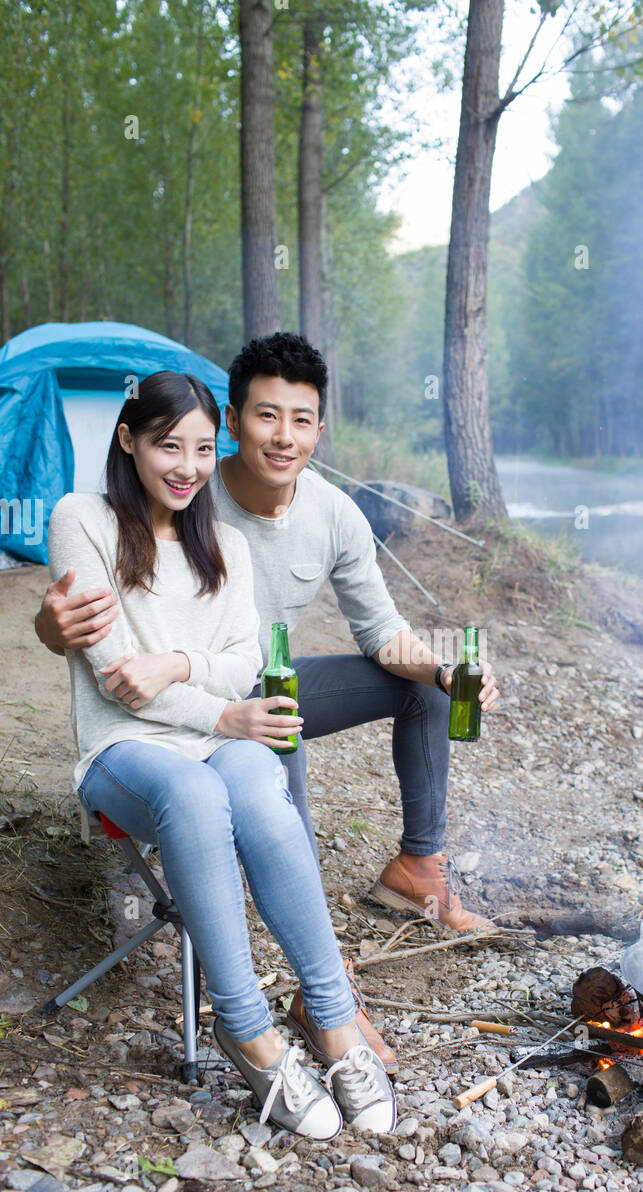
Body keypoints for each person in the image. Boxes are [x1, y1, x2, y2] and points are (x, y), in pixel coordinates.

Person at [35, 332, 501, 1060]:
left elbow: (383, 633)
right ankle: (320, 994)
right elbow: (92, 628)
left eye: (301, 419)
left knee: (427, 692)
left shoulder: (333, 514)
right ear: (233, 419)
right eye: (266, 416)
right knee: (276, 784)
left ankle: (418, 868)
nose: (284, 437)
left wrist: (443, 671)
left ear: (320, 427)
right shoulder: (189, 486)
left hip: (256, 680)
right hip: (209, 707)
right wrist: (48, 624)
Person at [46, 369, 396, 1139]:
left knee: (262, 792)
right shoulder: (83, 520)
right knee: (199, 794)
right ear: (128, 440)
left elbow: (243, 658)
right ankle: (249, 1032)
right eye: (169, 445)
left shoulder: (225, 543)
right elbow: (117, 683)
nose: (187, 467)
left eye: (204, 449)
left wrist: (180, 668)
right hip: (122, 749)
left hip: (214, 736)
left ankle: (334, 1023)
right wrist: (222, 712)